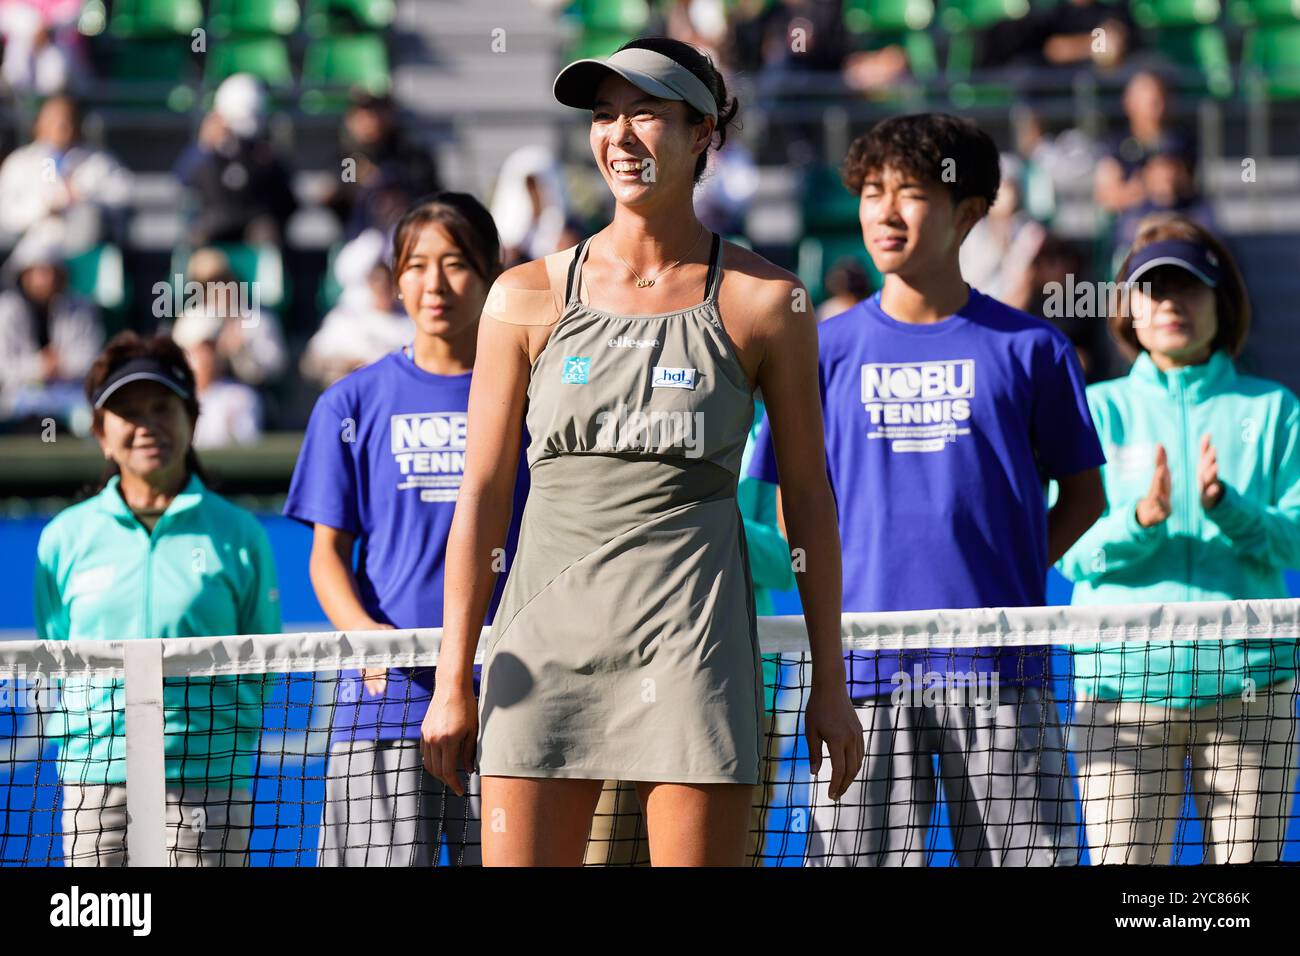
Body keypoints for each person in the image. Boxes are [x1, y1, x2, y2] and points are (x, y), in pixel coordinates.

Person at [420, 37, 861, 867]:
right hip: (538, 653)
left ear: (704, 134)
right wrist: (454, 673)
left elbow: (808, 497)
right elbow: (480, 496)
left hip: (694, 656)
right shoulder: (521, 297)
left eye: (646, 113)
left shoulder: (770, 301)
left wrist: (830, 684)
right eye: (604, 115)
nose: (619, 135)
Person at [749, 113, 1107, 866]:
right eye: (872, 191)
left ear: (970, 212)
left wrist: (1007, 575)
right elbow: (788, 497)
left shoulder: (1034, 350)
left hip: (1002, 669)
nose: (884, 210)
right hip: (858, 676)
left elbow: (1084, 497)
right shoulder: (819, 350)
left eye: (910, 192)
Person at [284, 192, 529, 867]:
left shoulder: (535, 399)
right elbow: (326, 558)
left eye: (456, 264)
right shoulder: (351, 401)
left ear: (490, 274)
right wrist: (365, 637)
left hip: (513, 699)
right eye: (417, 265)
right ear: (395, 280)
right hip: (383, 711)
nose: (435, 284)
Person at [1058, 216, 1300, 864]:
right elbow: (1067, 547)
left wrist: (1232, 509)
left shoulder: (1274, 409)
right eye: (1152, 288)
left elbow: (1297, 542)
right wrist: (1141, 520)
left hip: (1252, 688)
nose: (1169, 302)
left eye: (1187, 287)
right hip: (1121, 692)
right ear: (1128, 310)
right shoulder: (1095, 408)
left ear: (1221, 302)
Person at [33, 331, 281, 866]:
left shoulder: (241, 535)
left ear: (192, 420)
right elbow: (55, 652)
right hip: (94, 782)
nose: (147, 425)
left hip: (206, 783)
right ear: (101, 434)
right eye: (127, 412)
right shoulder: (62, 539)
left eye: (162, 407)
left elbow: (260, 665)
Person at [0, 222, 103, 431]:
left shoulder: (82, 307)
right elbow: (5, 367)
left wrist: (60, 366)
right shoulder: (7, 310)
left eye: (51, 271)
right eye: (39, 272)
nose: (46, 279)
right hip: (20, 396)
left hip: (70, 394)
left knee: (91, 416)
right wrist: (39, 367)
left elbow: (90, 358)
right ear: (24, 274)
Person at [173, 74, 297, 246]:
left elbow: (287, 196)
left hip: (256, 219)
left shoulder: (268, 152)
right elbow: (182, 177)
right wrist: (203, 147)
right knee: (197, 247)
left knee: (267, 236)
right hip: (214, 218)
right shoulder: (205, 151)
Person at [0, 93, 131, 250]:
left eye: (68, 118)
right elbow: (6, 210)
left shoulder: (98, 161)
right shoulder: (20, 163)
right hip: (33, 252)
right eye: (54, 118)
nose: (62, 125)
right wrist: (43, 207)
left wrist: (83, 196)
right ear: (38, 123)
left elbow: (123, 194)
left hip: (86, 249)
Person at [300, 229, 414, 389]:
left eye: (388, 283)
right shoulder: (344, 320)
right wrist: (349, 364)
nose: (382, 289)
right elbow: (310, 363)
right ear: (368, 284)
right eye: (376, 282)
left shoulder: (410, 325)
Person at [172, 310, 262, 449]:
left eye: (212, 347)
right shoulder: (173, 399)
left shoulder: (240, 398)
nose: (208, 356)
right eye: (201, 349)